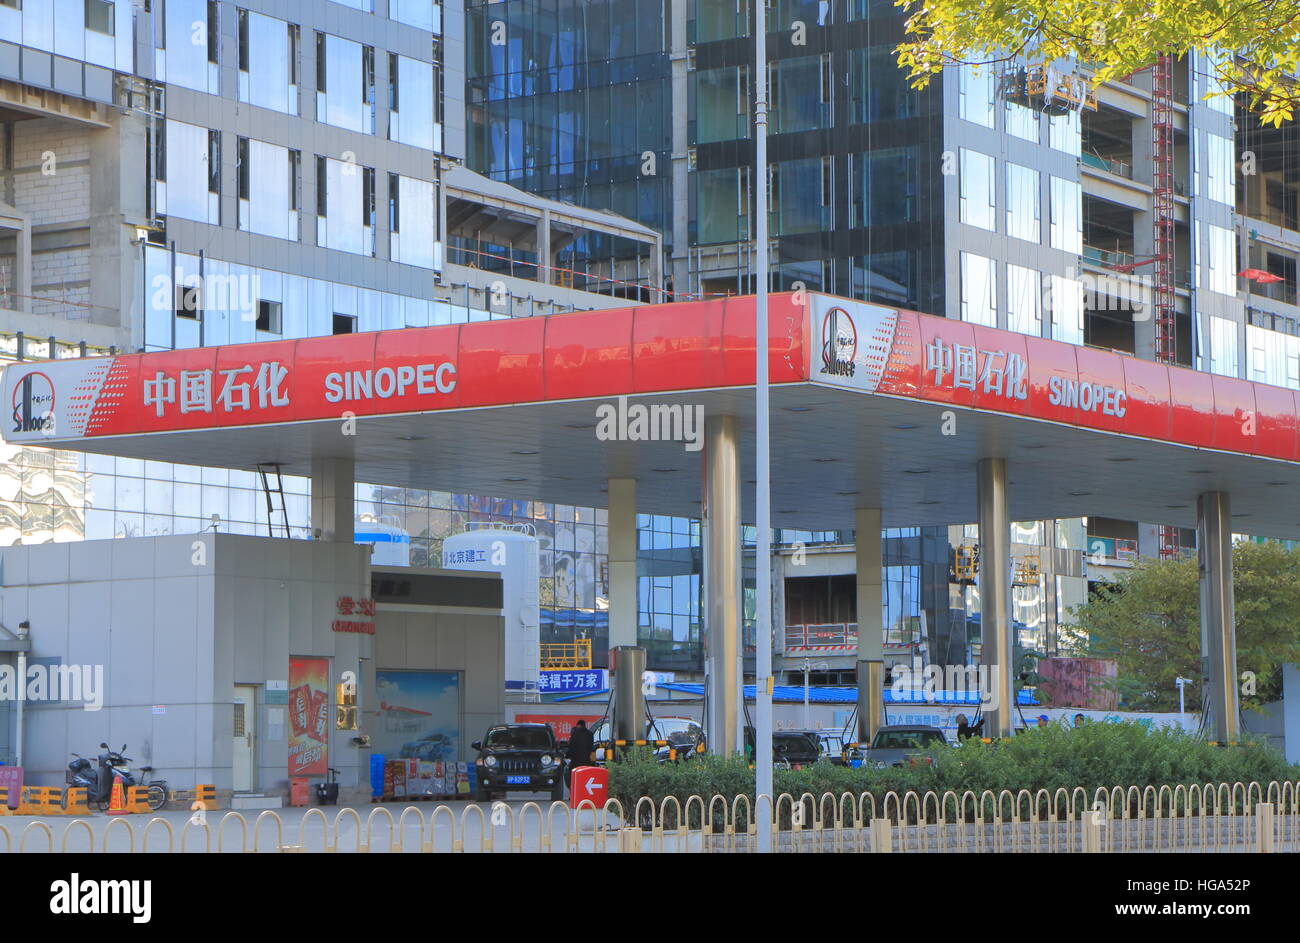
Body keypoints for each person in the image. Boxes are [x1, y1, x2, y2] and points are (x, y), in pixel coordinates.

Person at [565, 719, 595, 785]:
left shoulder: (574, 734)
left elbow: (571, 747)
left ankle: (573, 792)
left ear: (578, 725)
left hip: (575, 762)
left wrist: (567, 756)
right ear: (584, 725)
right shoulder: (590, 734)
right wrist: (593, 762)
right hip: (587, 762)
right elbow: (592, 748)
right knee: (585, 778)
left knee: (573, 779)